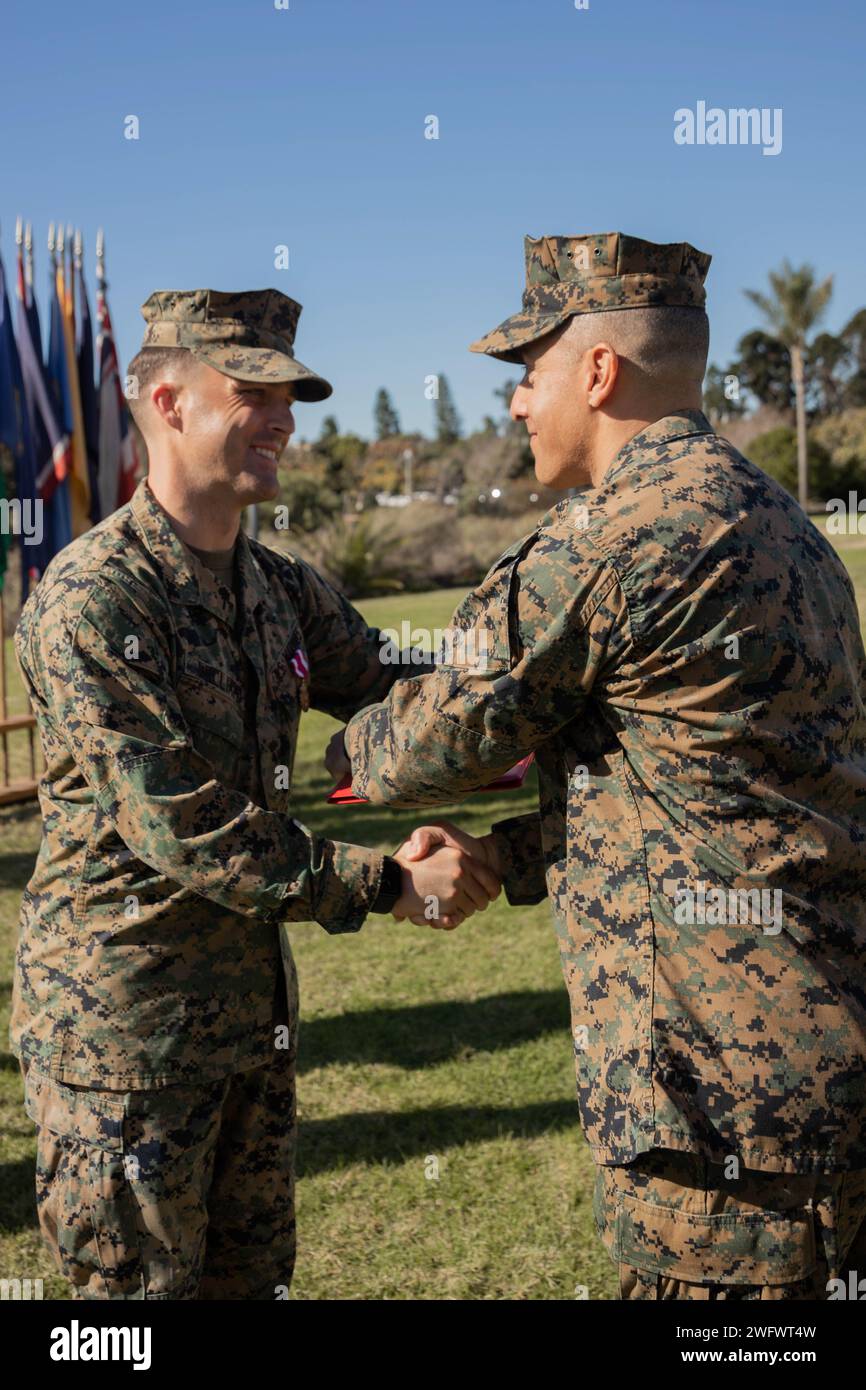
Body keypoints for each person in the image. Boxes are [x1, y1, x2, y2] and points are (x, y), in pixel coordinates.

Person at [328, 232, 866, 1300]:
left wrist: (301, 718)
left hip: (719, 1115)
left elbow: (426, 743)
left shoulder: (607, 539)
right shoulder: (785, 527)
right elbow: (722, 789)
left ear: (596, 371)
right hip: (820, 1068)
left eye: (526, 375)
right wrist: (513, 851)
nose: (517, 406)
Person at [12, 287, 499, 1300]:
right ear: (167, 401)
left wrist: (532, 695)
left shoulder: (278, 585)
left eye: (293, 394)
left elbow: (397, 685)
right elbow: (176, 820)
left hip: (249, 1035)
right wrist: (379, 882)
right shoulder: (92, 595)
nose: (283, 415)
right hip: (124, 1048)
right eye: (255, 389)